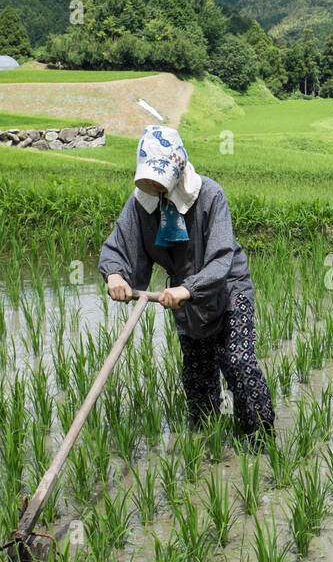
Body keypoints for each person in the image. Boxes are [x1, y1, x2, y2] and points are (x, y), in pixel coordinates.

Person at [98, 125, 275, 449]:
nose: (154, 185)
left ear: (178, 169)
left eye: (160, 178)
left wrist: (188, 288)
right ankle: (208, 449)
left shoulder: (210, 195)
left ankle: (261, 442)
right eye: (149, 177)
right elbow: (117, 247)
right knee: (197, 378)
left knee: (239, 363)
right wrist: (115, 276)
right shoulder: (141, 204)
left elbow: (222, 259)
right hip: (184, 297)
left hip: (227, 289)